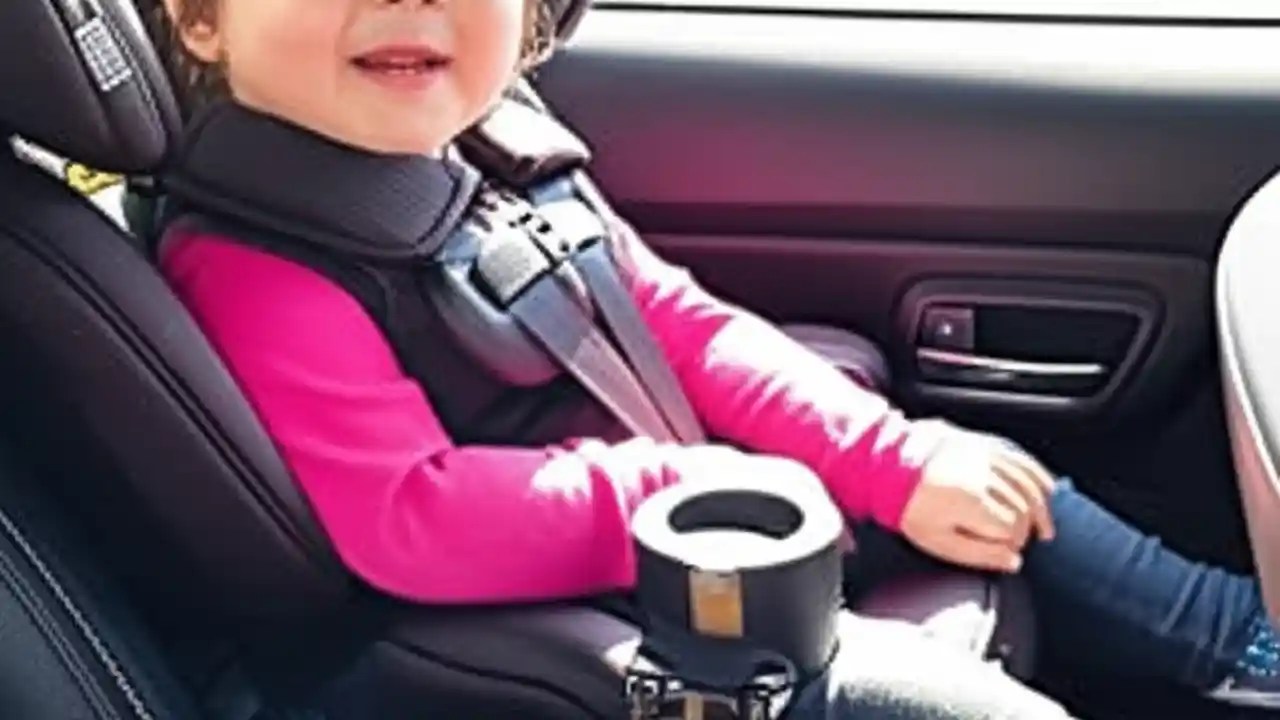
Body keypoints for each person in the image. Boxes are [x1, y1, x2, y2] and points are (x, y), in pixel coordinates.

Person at [144, 0, 1276, 714]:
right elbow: (411, 519)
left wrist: (887, 458)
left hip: (698, 540)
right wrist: (690, 486)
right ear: (200, 17)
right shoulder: (257, 260)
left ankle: (1233, 636)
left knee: (989, 478)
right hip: (604, 633)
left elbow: (681, 325)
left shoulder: (496, 157)